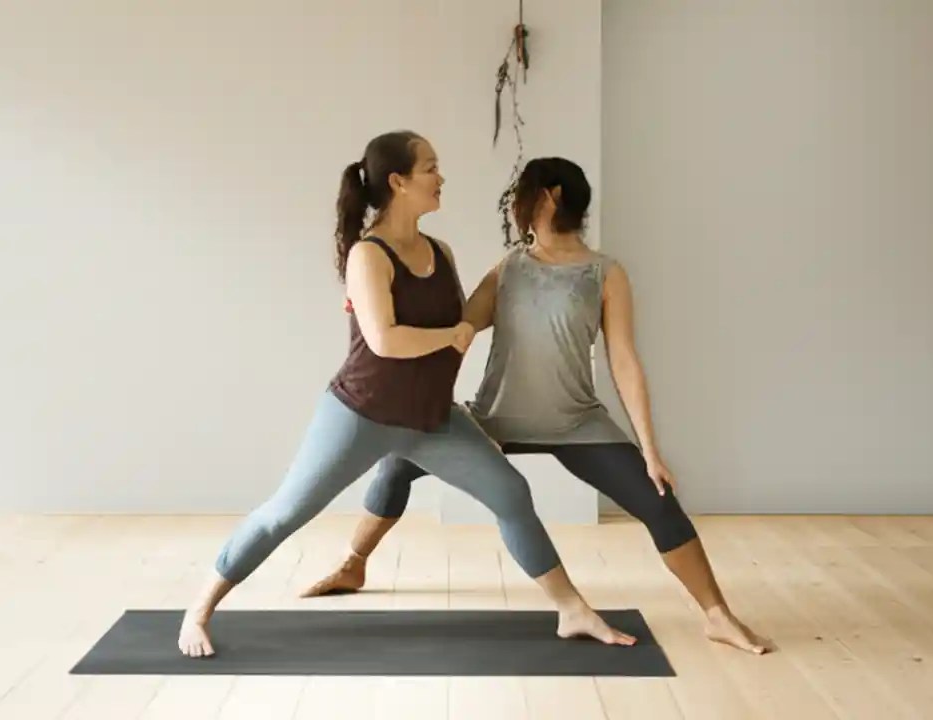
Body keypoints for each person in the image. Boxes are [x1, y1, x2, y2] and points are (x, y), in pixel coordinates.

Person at [178, 135, 636, 658]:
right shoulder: (368, 255)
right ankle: (199, 610)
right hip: (361, 415)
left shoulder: (441, 252)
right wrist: (448, 339)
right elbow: (385, 340)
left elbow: (463, 320)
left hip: (432, 420)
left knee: (511, 494)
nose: (441, 177)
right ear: (398, 182)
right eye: (431, 168)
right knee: (285, 513)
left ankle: (572, 610)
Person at [300, 157, 771, 655]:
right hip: (496, 417)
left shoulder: (605, 273)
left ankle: (717, 616)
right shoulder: (510, 268)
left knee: (659, 502)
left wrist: (651, 451)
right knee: (397, 468)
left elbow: (625, 361)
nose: (515, 207)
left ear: (549, 198)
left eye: (522, 196)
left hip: (576, 422)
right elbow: (456, 325)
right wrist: (369, 301)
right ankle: (354, 564)